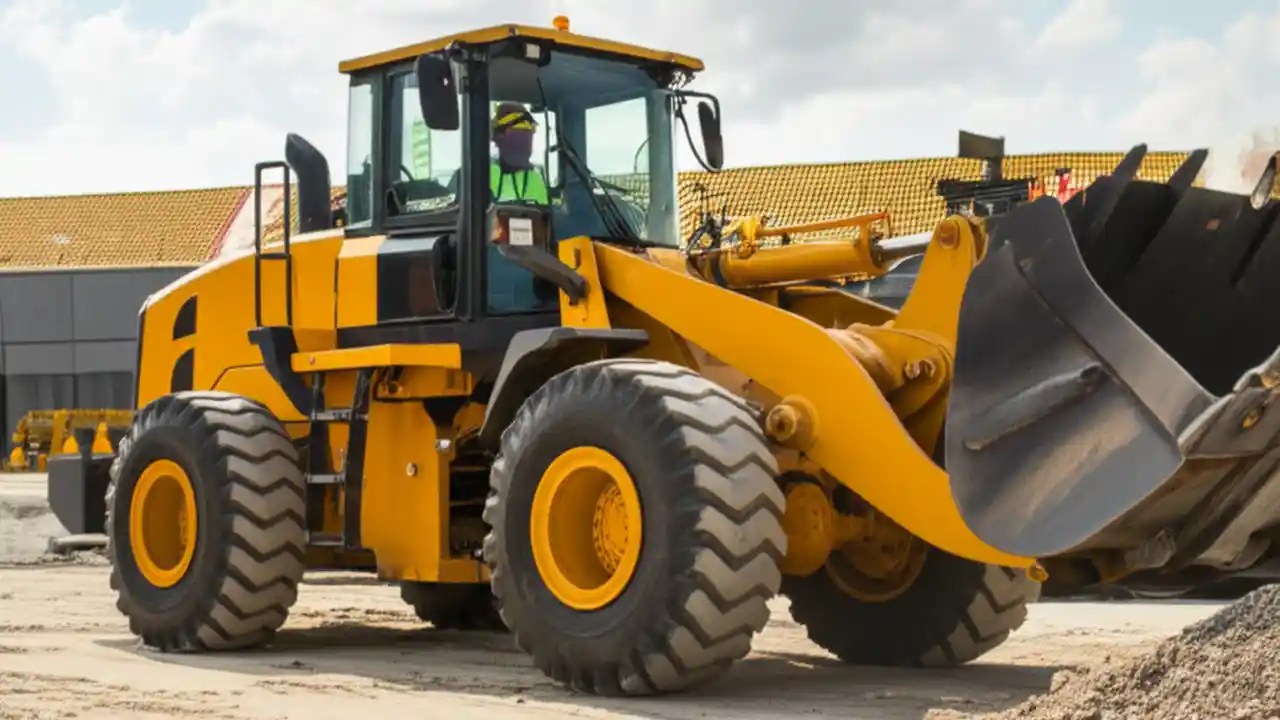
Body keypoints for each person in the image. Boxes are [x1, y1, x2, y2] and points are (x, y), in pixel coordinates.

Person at [490, 101, 549, 204]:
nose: (526, 139)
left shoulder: (534, 179)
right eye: (519, 131)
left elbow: (545, 211)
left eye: (529, 133)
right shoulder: (482, 175)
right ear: (499, 135)